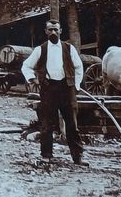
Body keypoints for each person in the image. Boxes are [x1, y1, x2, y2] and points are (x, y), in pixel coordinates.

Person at [21, 19, 86, 166]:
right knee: (47, 124)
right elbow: (26, 66)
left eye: (56, 29)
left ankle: (78, 157)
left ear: (61, 31)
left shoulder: (69, 48)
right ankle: (46, 156)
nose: (53, 32)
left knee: (72, 124)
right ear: (46, 32)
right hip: (49, 89)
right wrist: (33, 79)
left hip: (67, 89)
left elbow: (78, 67)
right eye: (50, 29)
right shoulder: (41, 49)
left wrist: (75, 85)